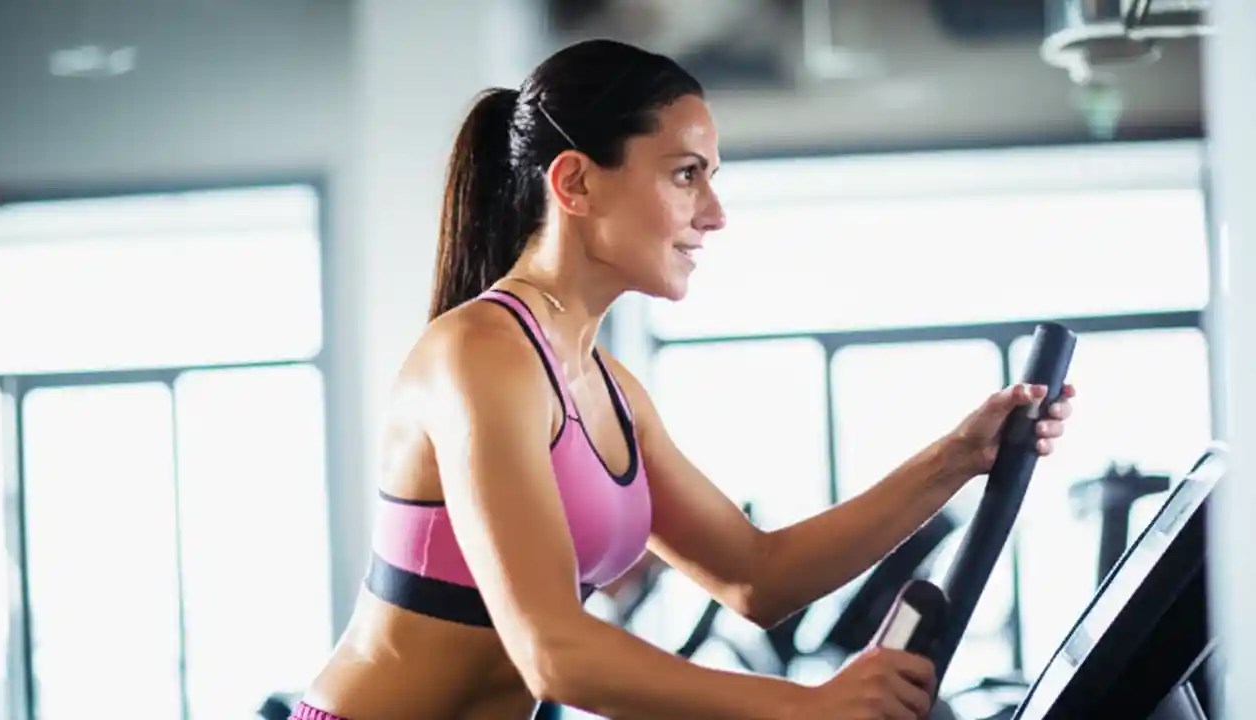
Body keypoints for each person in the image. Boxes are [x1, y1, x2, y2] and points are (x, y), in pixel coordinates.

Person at [292, 38, 1076, 720]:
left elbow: (756, 576)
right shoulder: (480, 352)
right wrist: (809, 707)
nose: (715, 212)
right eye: (685, 175)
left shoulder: (610, 389)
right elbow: (551, 653)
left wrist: (958, 458)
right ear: (575, 184)